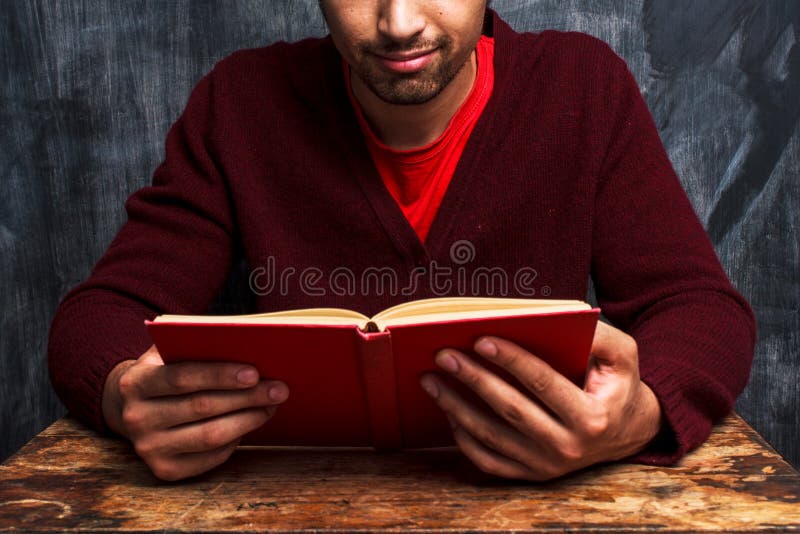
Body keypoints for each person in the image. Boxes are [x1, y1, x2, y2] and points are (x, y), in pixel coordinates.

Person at [48, 0, 755, 482]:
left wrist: (640, 415)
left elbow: (700, 307)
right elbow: (98, 315)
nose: (398, 22)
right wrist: (121, 393)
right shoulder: (240, 102)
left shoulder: (583, 85)